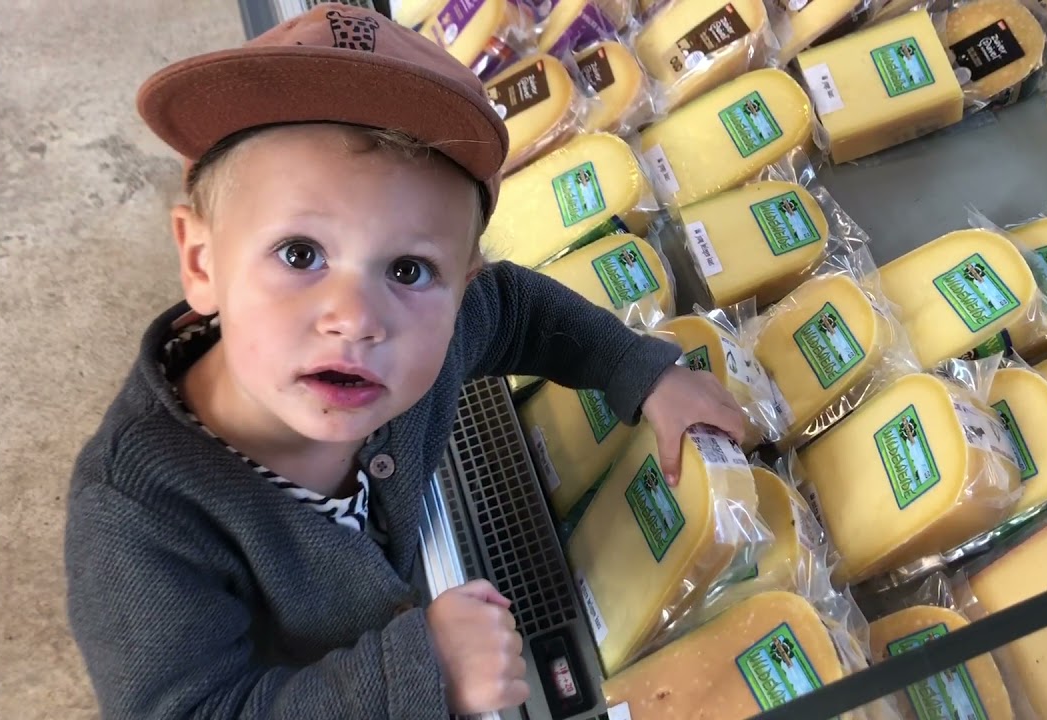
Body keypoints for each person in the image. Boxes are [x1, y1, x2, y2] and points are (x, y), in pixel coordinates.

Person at [63, 3, 749, 719]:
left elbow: (517, 309)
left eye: (411, 271)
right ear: (201, 260)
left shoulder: (439, 334)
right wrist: (417, 675)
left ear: (461, 286)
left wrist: (637, 370)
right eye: (301, 254)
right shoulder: (137, 516)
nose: (356, 319)